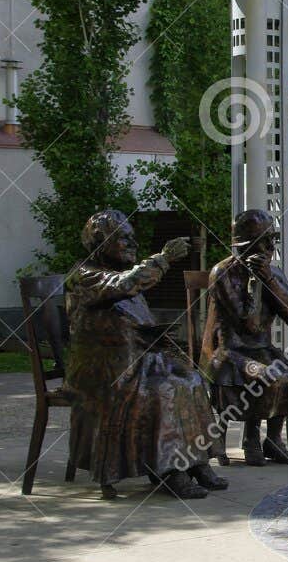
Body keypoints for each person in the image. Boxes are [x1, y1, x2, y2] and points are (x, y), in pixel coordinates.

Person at [66, 210, 225, 500]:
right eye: (124, 239)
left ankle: (196, 461)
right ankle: (169, 471)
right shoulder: (85, 276)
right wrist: (163, 258)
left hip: (136, 361)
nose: (132, 244)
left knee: (192, 379)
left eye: (132, 239)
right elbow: (126, 285)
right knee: (167, 389)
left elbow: (131, 322)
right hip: (103, 370)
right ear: (101, 242)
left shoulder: (117, 274)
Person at [204, 209, 288, 466]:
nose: (270, 247)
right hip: (230, 353)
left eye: (273, 239)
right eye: (264, 241)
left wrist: (270, 281)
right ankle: (251, 438)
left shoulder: (272, 273)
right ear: (245, 246)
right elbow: (249, 324)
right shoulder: (222, 273)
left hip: (262, 349)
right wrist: (255, 282)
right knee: (268, 375)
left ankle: (272, 439)